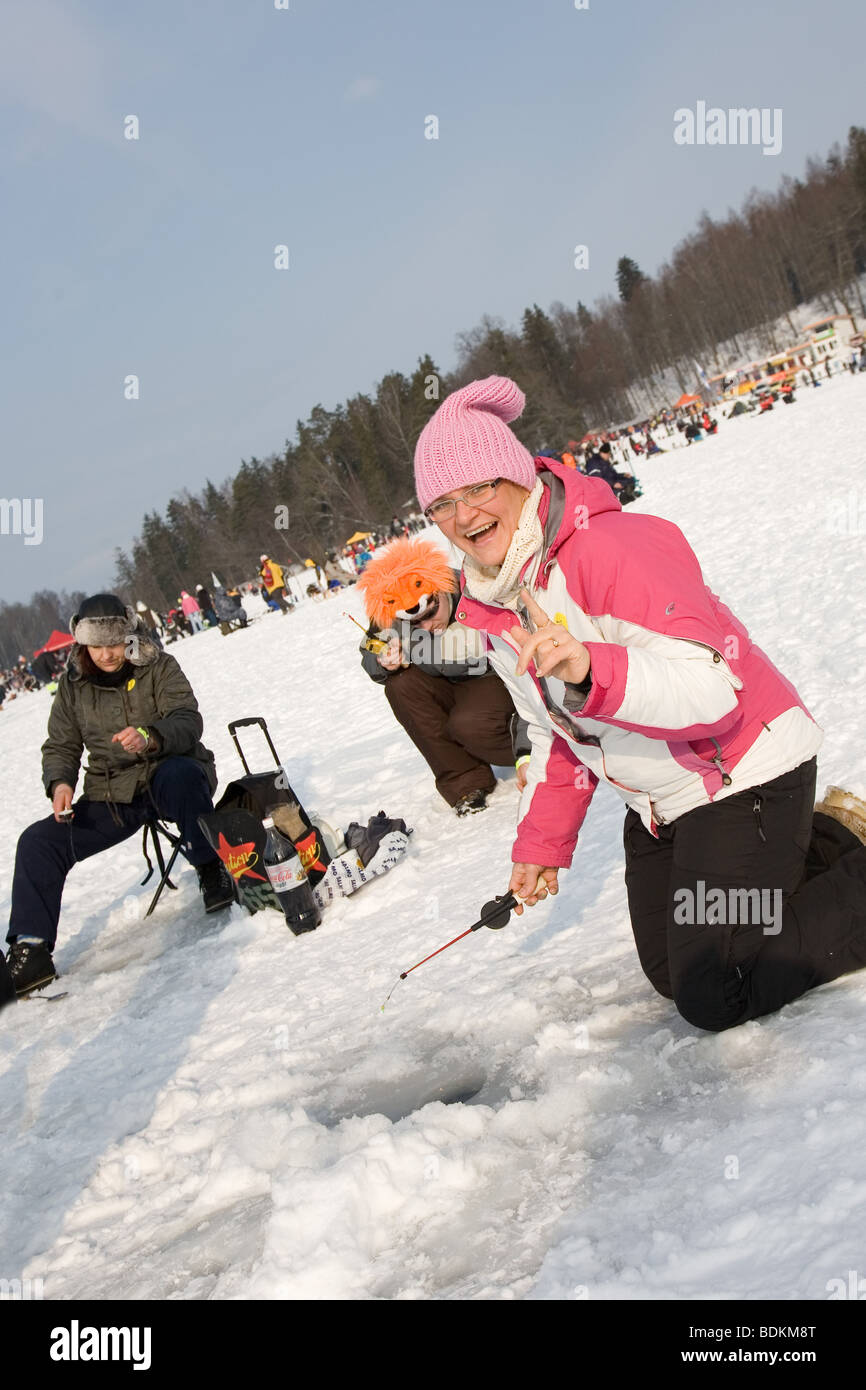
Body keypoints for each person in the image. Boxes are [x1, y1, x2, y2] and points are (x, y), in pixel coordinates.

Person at [413, 375, 866, 1034]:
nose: (465, 515)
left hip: (744, 773)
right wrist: (542, 844)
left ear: (520, 479)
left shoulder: (607, 549)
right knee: (669, 972)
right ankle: (824, 845)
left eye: (479, 487)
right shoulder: (495, 604)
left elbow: (713, 691)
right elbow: (563, 737)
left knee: (715, 989)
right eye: (443, 504)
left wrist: (592, 666)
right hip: (661, 803)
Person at [4, 594, 234, 997]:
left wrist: (151, 736)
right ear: (83, 646)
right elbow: (61, 745)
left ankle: (211, 868)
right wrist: (60, 783)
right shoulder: (72, 686)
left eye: (114, 643)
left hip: (167, 773)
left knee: (182, 777)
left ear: (128, 637)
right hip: (111, 793)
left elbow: (187, 720)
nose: (107, 654)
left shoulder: (158, 666)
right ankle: (31, 948)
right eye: (97, 646)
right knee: (38, 843)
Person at [356, 536, 529, 816]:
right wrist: (382, 658)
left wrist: (416, 648)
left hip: (487, 677)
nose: (426, 624)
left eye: (431, 612)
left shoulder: (471, 588)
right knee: (399, 686)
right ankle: (465, 781)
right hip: (442, 681)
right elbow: (370, 644)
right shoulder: (392, 605)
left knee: (467, 725)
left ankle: (534, 752)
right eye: (415, 622)